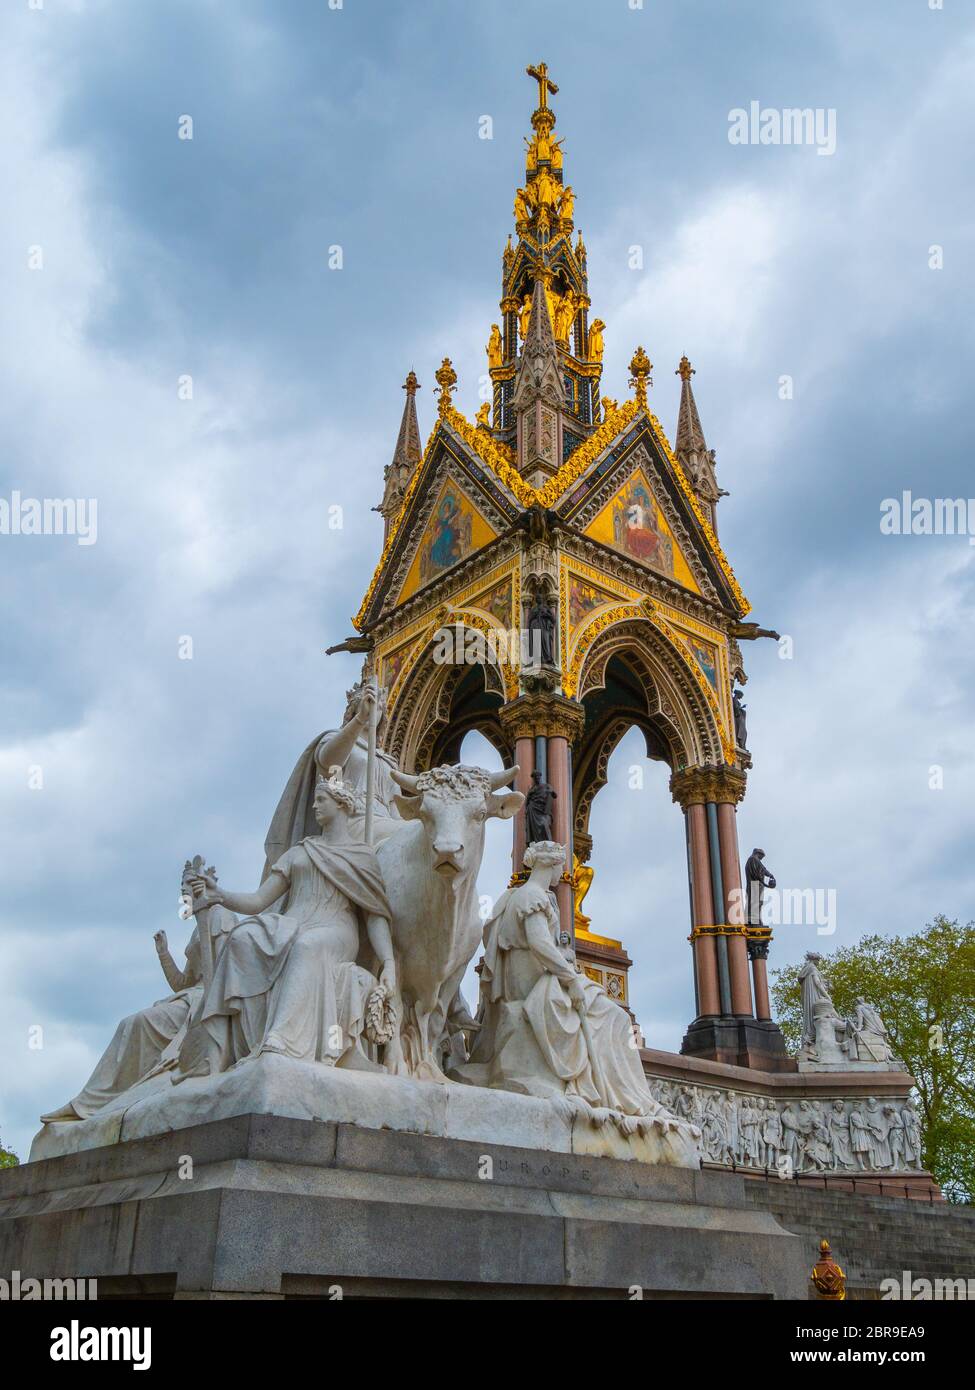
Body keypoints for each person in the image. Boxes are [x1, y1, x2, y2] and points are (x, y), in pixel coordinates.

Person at [185, 778, 396, 1076]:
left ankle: (281, 1039)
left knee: (306, 946)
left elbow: (375, 914)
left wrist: (388, 963)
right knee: (242, 938)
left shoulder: (362, 856)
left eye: (321, 799)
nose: (314, 805)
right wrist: (219, 894)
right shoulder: (300, 851)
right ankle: (230, 1050)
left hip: (335, 928)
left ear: (341, 804)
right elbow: (259, 900)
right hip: (294, 922)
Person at [464, 842, 679, 1127]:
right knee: (614, 1018)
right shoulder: (532, 897)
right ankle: (629, 1101)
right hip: (539, 988)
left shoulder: (521, 896)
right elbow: (539, 944)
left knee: (613, 1017)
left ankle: (635, 1101)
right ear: (550, 865)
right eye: (560, 867)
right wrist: (570, 978)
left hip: (543, 981)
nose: (563, 874)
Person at [41, 927, 206, 1122]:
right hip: (187, 998)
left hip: (201, 1003)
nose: (187, 898)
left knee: (139, 1022)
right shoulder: (199, 928)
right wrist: (164, 953)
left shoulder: (221, 921)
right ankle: (90, 1101)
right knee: (128, 1024)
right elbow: (183, 982)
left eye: (188, 894)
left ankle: (92, 1103)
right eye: (185, 895)